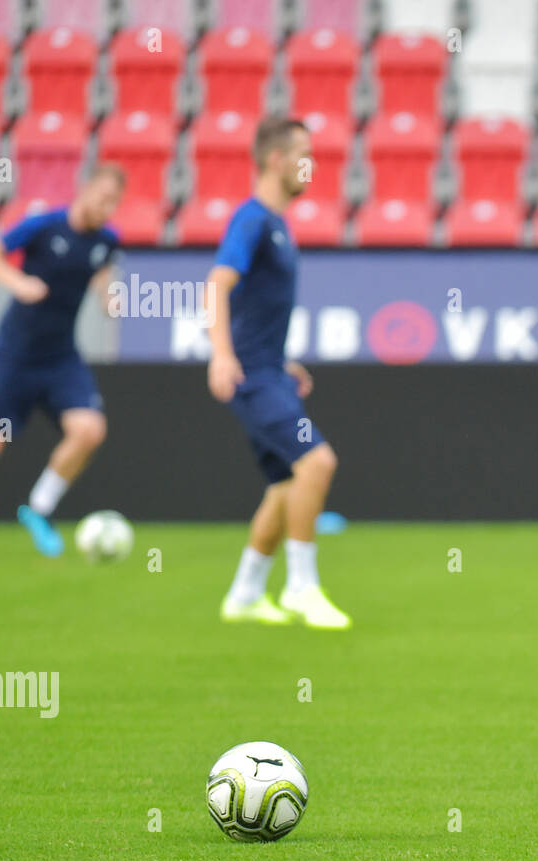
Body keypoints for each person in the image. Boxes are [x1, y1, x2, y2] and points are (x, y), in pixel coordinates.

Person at [208, 116, 349, 630]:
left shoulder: (278, 223)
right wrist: (223, 355)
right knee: (318, 462)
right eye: (304, 153)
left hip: (268, 369)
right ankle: (301, 586)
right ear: (276, 159)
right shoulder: (252, 220)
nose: (311, 164)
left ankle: (245, 593)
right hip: (252, 377)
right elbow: (218, 284)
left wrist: (277, 359)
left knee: (287, 482)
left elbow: (254, 306)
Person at [0, 166, 124, 562]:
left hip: (61, 358)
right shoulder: (43, 226)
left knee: (89, 430)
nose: (107, 208)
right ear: (84, 191)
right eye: (103, 198)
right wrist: (19, 284)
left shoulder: (106, 241)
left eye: (114, 203)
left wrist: (110, 299)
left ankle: (38, 509)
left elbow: (103, 277)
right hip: (16, 357)